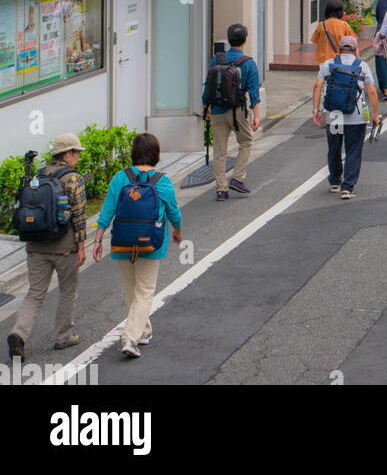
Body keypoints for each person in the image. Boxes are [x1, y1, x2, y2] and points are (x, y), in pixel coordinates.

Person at [92, 133, 182, 360]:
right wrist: (178, 230)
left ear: (133, 153)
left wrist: (97, 239)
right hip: (150, 245)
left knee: (133, 290)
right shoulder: (162, 181)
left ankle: (144, 332)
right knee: (144, 291)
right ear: (156, 154)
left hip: (123, 243)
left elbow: (107, 210)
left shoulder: (120, 178)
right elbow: (173, 211)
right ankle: (130, 338)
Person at [7, 133, 87, 358]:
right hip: (65, 247)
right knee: (68, 291)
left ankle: (19, 334)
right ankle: (63, 337)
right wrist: (81, 247)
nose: (78, 158)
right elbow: (79, 216)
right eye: (77, 153)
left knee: (34, 294)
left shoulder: (38, 175)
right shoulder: (73, 178)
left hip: (35, 246)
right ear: (68, 154)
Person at [312, 33, 380, 199]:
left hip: (335, 114)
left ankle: (335, 181)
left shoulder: (328, 65)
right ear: (356, 50)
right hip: (356, 116)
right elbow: (371, 90)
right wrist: (375, 114)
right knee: (353, 150)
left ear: (339, 49)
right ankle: (347, 187)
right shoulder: (362, 66)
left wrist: (316, 110)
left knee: (334, 147)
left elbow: (317, 86)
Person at [203, 22, 261, 201]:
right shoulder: (249, 63)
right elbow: (253, 92)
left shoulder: (217, 59)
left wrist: (206, 107)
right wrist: (256, 116)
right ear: (245, 40)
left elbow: (208, 85)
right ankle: (237, 178)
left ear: (228, 40)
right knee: (246, 142)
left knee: (219, 150)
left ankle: (221, 189)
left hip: (218, 110)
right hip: (238, 111)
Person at [310, 0, 354, 64]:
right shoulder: (344, 25)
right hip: (340, 58)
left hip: (324, 58)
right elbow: (352, 41)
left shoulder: (322, 25)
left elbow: (315, 40)